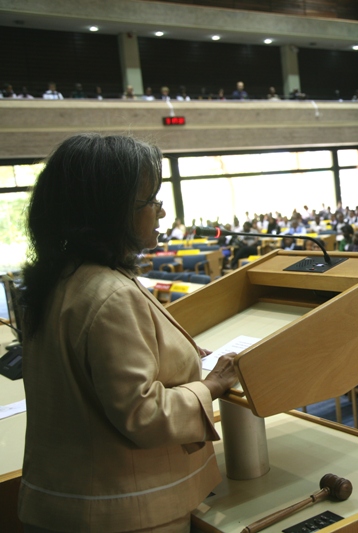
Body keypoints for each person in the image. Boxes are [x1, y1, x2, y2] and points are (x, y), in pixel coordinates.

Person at [17, 134, 238, 532]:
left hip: (67, 496)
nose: (161, 211)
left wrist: (174, 355)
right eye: (150, 200)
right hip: (122, 511)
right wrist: (213, 386)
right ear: (111, 211)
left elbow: (89, 367)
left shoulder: (62, 277)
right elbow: (144, 414)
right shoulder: (110, 293)